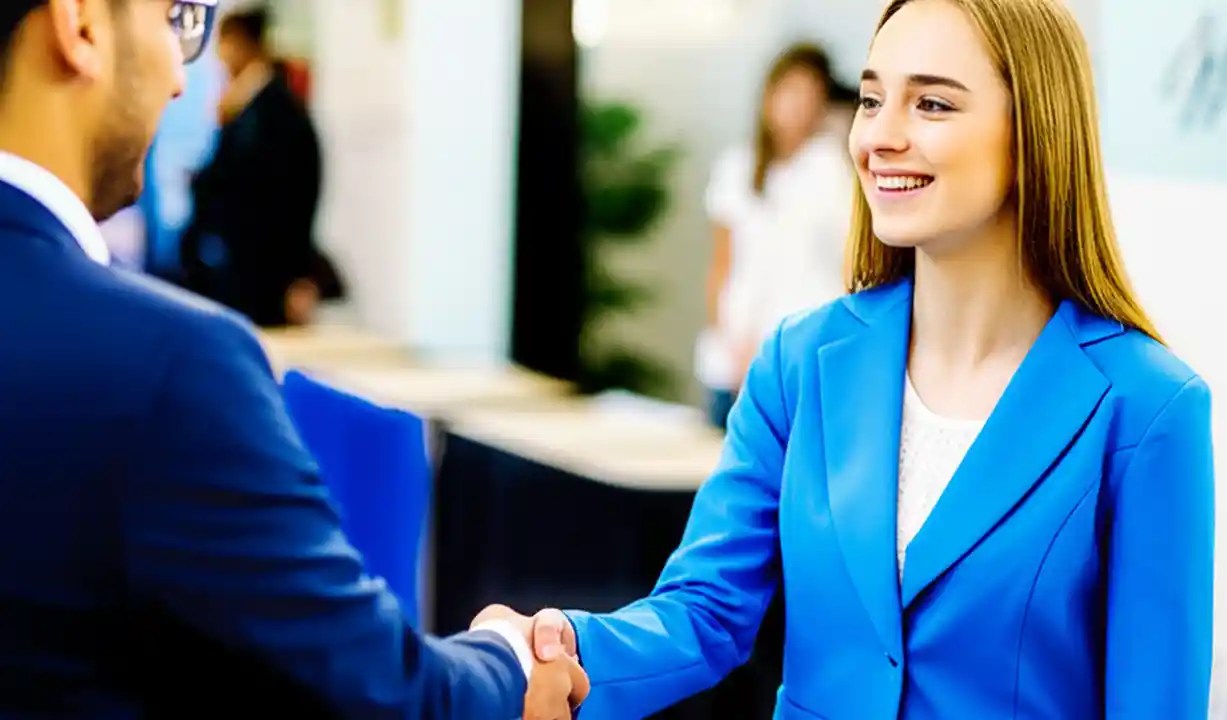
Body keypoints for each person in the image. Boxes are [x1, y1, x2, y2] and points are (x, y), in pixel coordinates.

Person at [483, 0, 1215, 717]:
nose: (878, 138)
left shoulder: (1147, 409)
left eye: (932, 104)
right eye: (871, 100)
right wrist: (563, 649)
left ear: (1035, 134)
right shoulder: (801, 363)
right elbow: (705, 610)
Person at [0, 1, 585, 717]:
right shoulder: (169, 364)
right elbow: (380, 697)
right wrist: (508, 661)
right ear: (82, 24)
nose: (181, 80)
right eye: (176, 19)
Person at [697, 43, 853, 429]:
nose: (796, 106)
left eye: (809, 96)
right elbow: (722, 264)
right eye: (790, 91)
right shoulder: (738, 166)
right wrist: (728, 338)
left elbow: (850, 262)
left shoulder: (831, 168)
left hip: (803, 359)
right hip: (734, 358)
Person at [179, 5, 323, 327]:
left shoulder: (275, 109)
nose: (220, 56)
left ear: (243, 43)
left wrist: (297, 273)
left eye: (224, 43)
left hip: (264, 266)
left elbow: (293, 193)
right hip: (244, 261)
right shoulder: (243, 102)